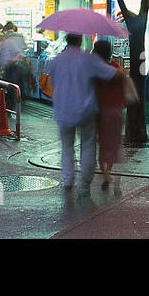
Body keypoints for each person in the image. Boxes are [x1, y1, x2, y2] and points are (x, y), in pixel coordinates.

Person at [48, 33, 117, 194]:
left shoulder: (57, 60)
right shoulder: (88, 59)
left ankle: (67, 180)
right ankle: (84, 185)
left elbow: (52, 82)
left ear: (67, 40)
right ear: (80, 40)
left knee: (66, 147)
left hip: (63, 110)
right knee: (87, 146)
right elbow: (110, 73)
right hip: (86, 111)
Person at [92, 39, 137, 189]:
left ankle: (105, 174)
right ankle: (111, 172)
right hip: (117, 111)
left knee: (101, 143)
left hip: (100, 111)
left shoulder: (96, 71)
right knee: (114, 143)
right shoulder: (117, 68)